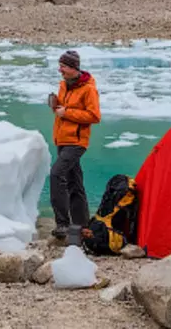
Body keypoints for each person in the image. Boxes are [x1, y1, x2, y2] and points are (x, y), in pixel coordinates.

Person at [48, 49, 101, 240]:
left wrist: (67, 113)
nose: (59, 70)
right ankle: (81, 228)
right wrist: (55, 106)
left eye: (63, 66)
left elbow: (94, 116)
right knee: (74, 183)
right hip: (62, 139)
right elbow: (63, 109)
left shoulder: (88, 89)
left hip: (77, 142)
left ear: (73, 68)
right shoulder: (64, 85)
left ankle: (62, 224)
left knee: (56, 174)